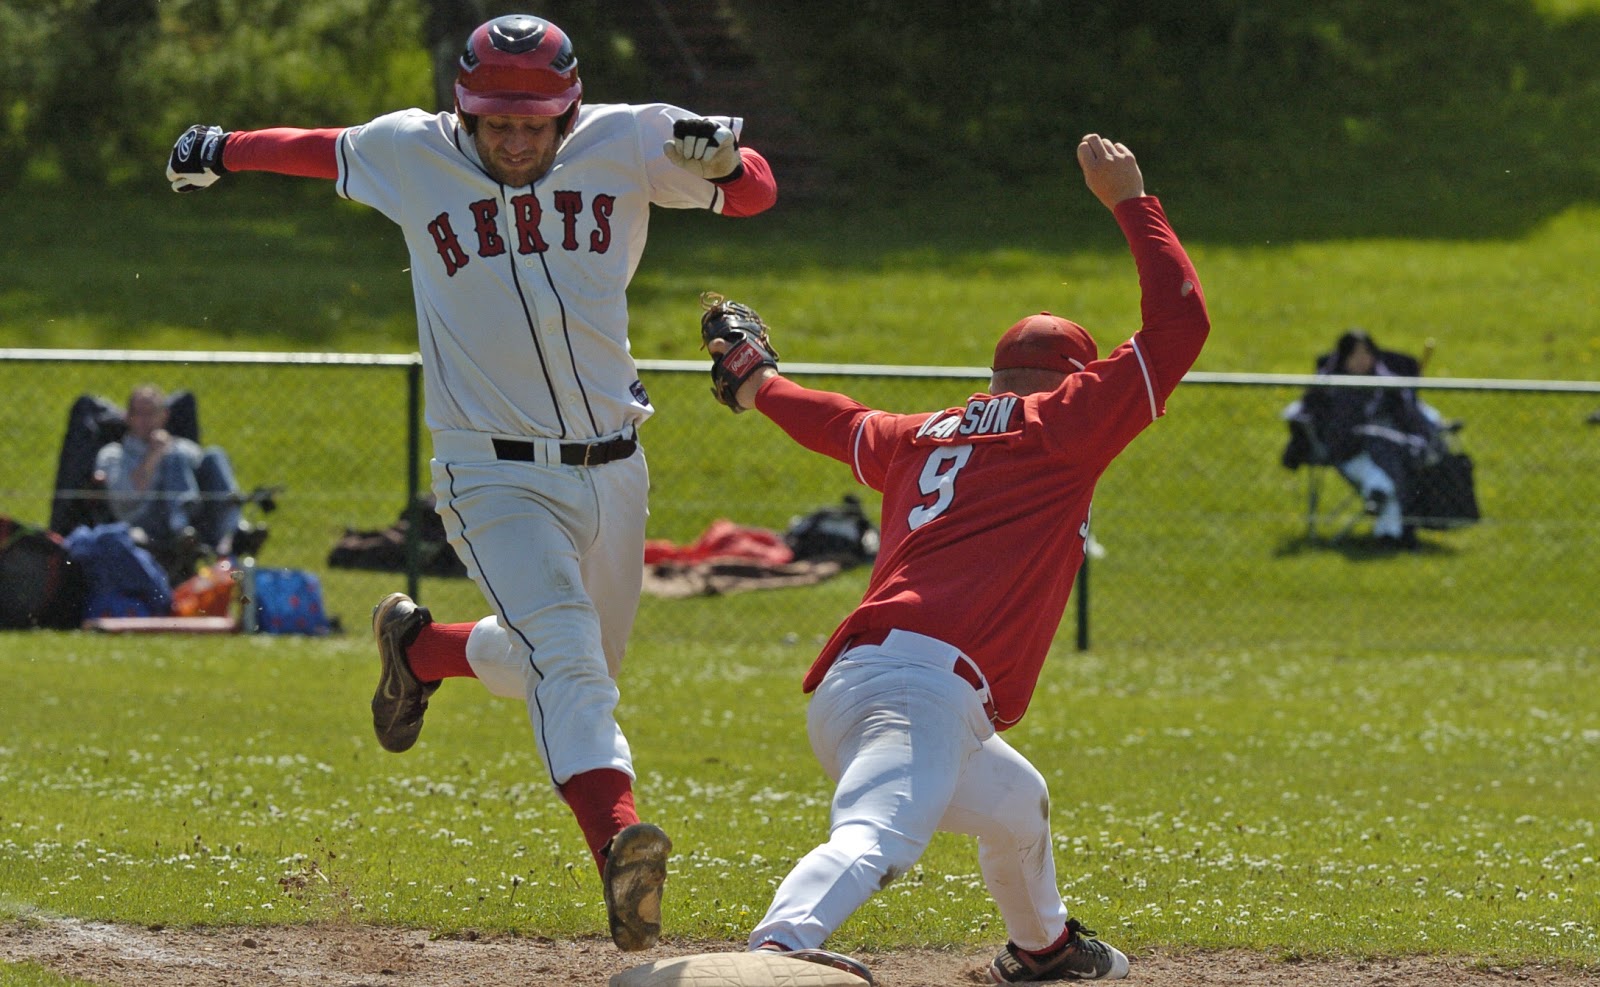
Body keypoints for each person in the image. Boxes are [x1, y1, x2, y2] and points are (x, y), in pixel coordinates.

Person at [165, 12, 778, 952]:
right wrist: (225, 148)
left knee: (570, 668)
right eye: (499, 124)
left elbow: (755, 195)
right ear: (467, 109)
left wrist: (730, 164)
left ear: (569, 113)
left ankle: (420, 650)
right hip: (487, 470)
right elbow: (319, 150)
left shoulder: (629, 136)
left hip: (616, 466)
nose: (518, 140)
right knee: (569, 661)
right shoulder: (415, 152)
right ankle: (621, 844)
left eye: (535, 124)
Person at [703, 134, 1208, 983]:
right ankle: (774, 950)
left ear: (996, 375)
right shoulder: (1063, 426)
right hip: (918, 686)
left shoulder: (922, 435)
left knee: (1017, 804)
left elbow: (835, 419)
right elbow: (1181, 322)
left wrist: (754, 381)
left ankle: (1043, 948)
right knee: (879, 834)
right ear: (1074, 379)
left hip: (872, 683)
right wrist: (1132, 199)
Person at [1297, 328, 1447, 549]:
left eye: (1365, 353)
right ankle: (1392, 527)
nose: (1361, 360)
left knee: (1390, 466)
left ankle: (1386, 524)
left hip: (1389, 451)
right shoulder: (1329, 388)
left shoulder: (1387, 385)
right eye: (1354, 355)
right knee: (1387, 472)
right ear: (1343, 358)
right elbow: (1322, 424)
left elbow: (1409, 416)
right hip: (1349, 454)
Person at [93, 384, 244, 570]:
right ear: (128, 417)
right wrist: (154, 455)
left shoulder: (183, 448)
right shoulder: (113, 454)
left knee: (215, 455)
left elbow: (209, 481)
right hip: (144, 523)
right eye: (140, 413)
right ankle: (181, 528)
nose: (145, 420)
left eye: (152, 413)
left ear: (164, 415)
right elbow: (127, 498)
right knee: (175, 456)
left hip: (195, 523)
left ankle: (232, 532)